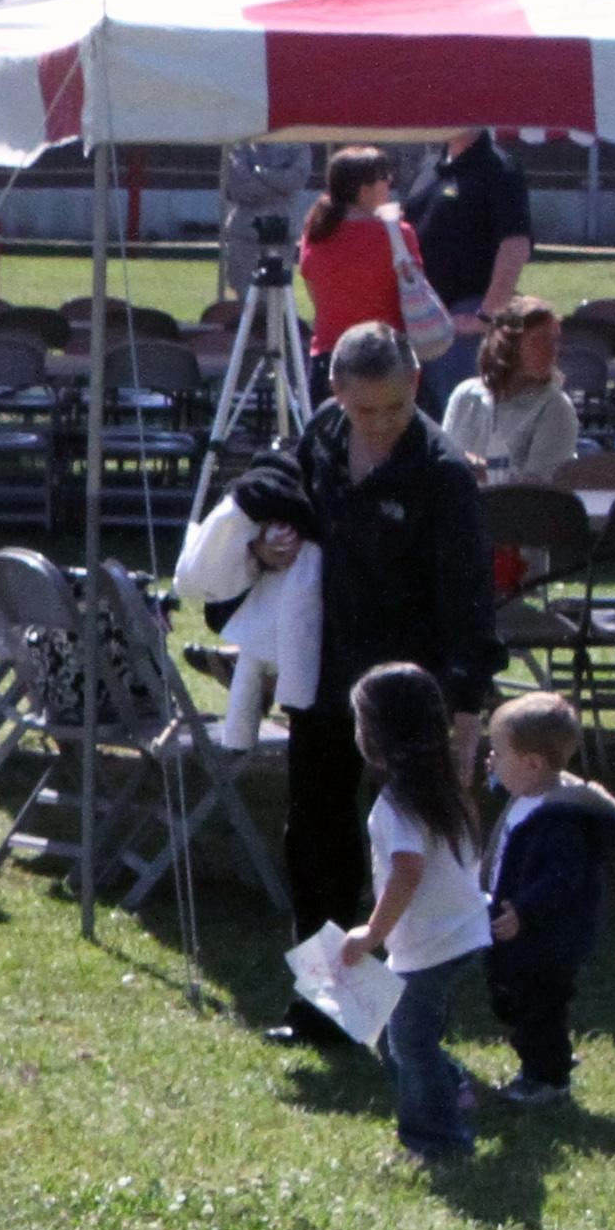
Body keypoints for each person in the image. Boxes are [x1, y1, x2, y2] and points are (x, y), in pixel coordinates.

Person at [268, 321, 498, 1024]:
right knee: (313, 841)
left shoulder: (443, 475)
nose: (379, 424)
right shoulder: (323, 438)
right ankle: (326, 1009)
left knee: (414, 856)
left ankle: (417, 1012)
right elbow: (277, 483)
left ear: (415, 388)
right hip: (327, 676)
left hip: (410, 696)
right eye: (364, 409)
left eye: (395, 408)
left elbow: (470, 606)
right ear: (336, 392)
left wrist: (464, 720)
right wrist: (270, 534)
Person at [336, 659, 491, 1169]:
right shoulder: (447, 789)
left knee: (412, 1043)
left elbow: (407, 872)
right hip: (461, 932)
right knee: (401, 1034)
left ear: (376, 736)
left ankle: (438, 1141)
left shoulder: (396, 803)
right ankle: (452, 1085)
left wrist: (371, 934)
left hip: (429, 945)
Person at [479, 690, 615, 1111]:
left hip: (546, 936)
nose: (492, 760)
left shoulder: (561, 819)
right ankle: (551, 1055)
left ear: (532, 764)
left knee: (538, 1005)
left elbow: (562, 879)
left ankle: (547, 1079)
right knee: (512, 997)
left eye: (499, 754)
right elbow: (514, 803)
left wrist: (525, 911)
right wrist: (497, 779)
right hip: (517, 927)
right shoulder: (528, 794)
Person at [411, 125, 534, 355]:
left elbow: (516, 246)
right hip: (421, 317)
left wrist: (486, 316)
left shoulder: (499, 168)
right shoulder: (429, 165)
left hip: (465, 319)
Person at [294, 145, 422, 361]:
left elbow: (315, 295)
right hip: (387, 358)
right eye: (383, 176)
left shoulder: (316, 231)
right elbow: (415, 293)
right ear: (363, 189)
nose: (389, 180)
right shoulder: (399, 234)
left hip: (329, 354)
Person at [438, 296, 579, 484]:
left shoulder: (554, 407)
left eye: (555, 341)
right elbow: (441, 469)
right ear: (509, 346)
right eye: (539, 341)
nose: (551, 350)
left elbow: (540, 491)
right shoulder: (465, 396)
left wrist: (479, 469)